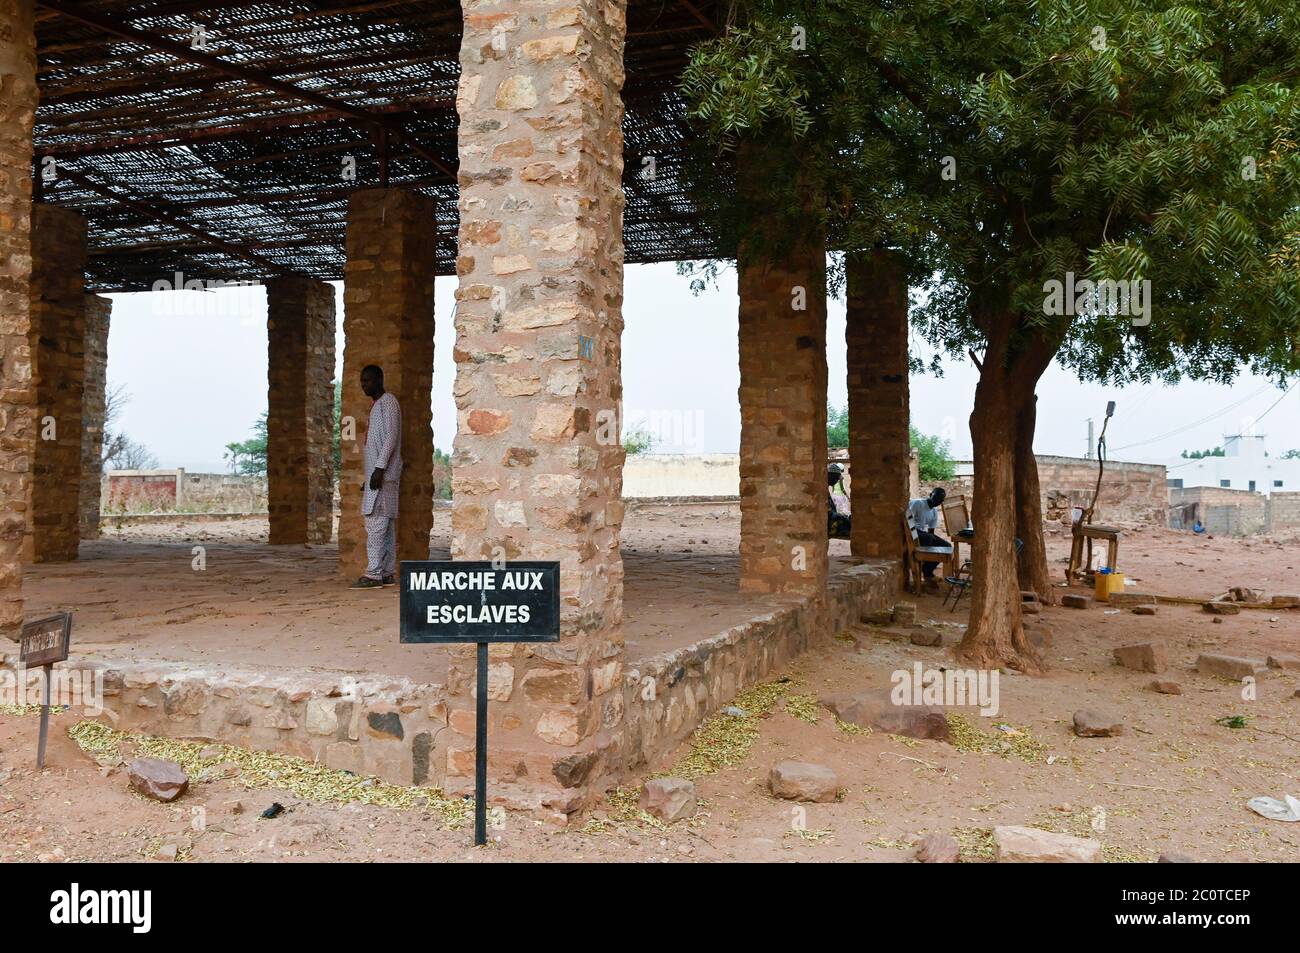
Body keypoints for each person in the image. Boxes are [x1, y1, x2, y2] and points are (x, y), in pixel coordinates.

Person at [350, 365, 402, 590]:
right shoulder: (377, 405)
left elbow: (391, 436)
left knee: (376, 525)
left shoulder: (388, 402)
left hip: (383, 475)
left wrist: (379, 469)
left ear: (380, 379)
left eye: (368, 380)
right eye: (362, 381)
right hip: (380, 476)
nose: (364, 385)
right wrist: (372, 472)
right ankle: (387, 573)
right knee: (386, 526)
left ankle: (373, 574)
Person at [907, 487, 950, 584]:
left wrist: (935, 549)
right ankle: (926, 570)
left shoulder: (934, 512)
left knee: (946, 546)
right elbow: (908, 521)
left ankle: (927, 570)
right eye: (935, 497)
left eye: (940, 500)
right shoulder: (918, 504)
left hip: (922, 534)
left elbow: (931, 531)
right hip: (911, 532)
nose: (937, 501)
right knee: (929, 538)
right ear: (930, 495)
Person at [827, 464, 851, 538]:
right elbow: (829, 514)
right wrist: (842, 517)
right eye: (836, 477)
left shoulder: (826, 489)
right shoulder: (822, 491)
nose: (837, 480)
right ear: (831, 476)